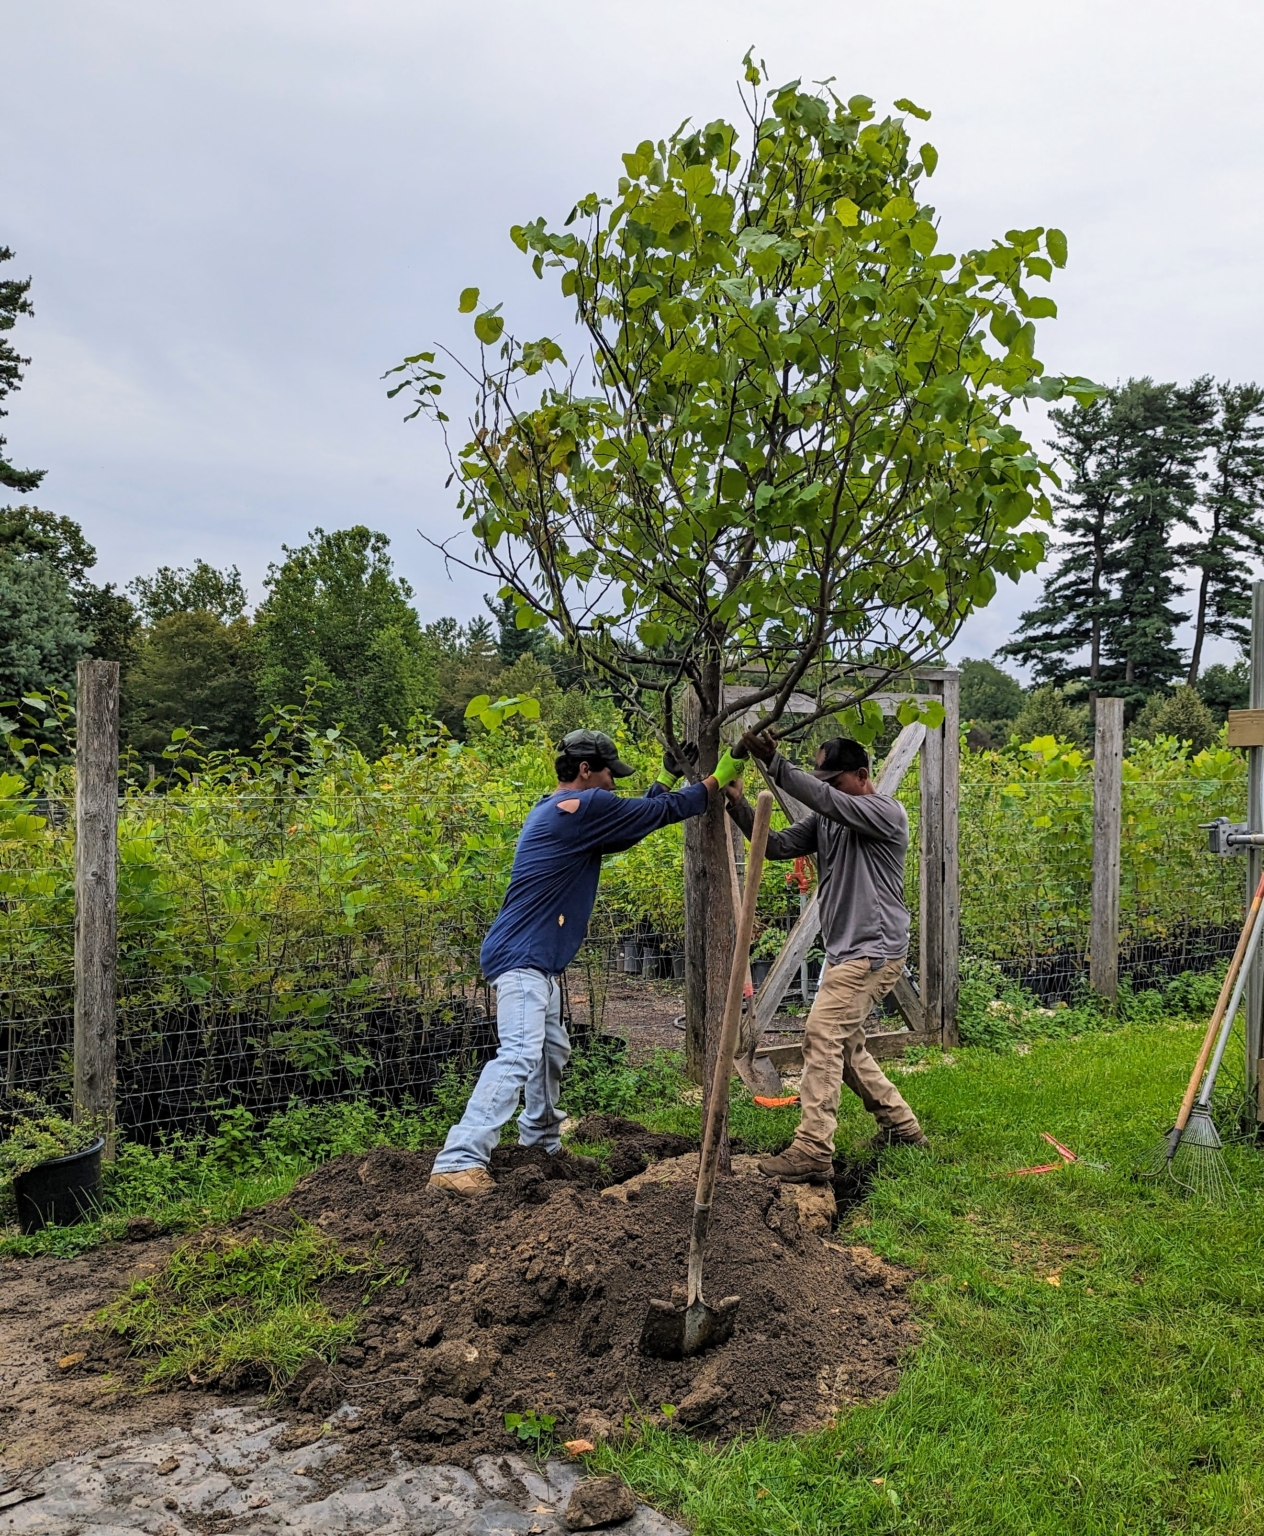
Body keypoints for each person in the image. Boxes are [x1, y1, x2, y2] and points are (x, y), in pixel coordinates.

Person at [428, 728, 737, 1196]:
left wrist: (664, 776)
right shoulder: (582, 808)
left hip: (538, 960)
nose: (614, 783)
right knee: (518, 1056)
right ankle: (459, 1159)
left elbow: (629, 830)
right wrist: (716, 780)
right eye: (610, 774)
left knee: (551, 1053)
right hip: (524, 957)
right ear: (586, 770)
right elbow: (661, 812)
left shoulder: (556, 809)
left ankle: (542, 1144)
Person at [725, 732, 929, 1184]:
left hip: (871, 951)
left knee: (821, 1036)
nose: (829, 790)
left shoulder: (884, 812)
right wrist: (738, 805)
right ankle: (902, 1128)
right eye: (826, 782)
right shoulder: (829, 819)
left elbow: (820, 797)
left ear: (862, 776)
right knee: (846, 1046)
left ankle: (813, 1149)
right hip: (847, 952)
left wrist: (774, 762)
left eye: (837, 781)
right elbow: (777, 846)